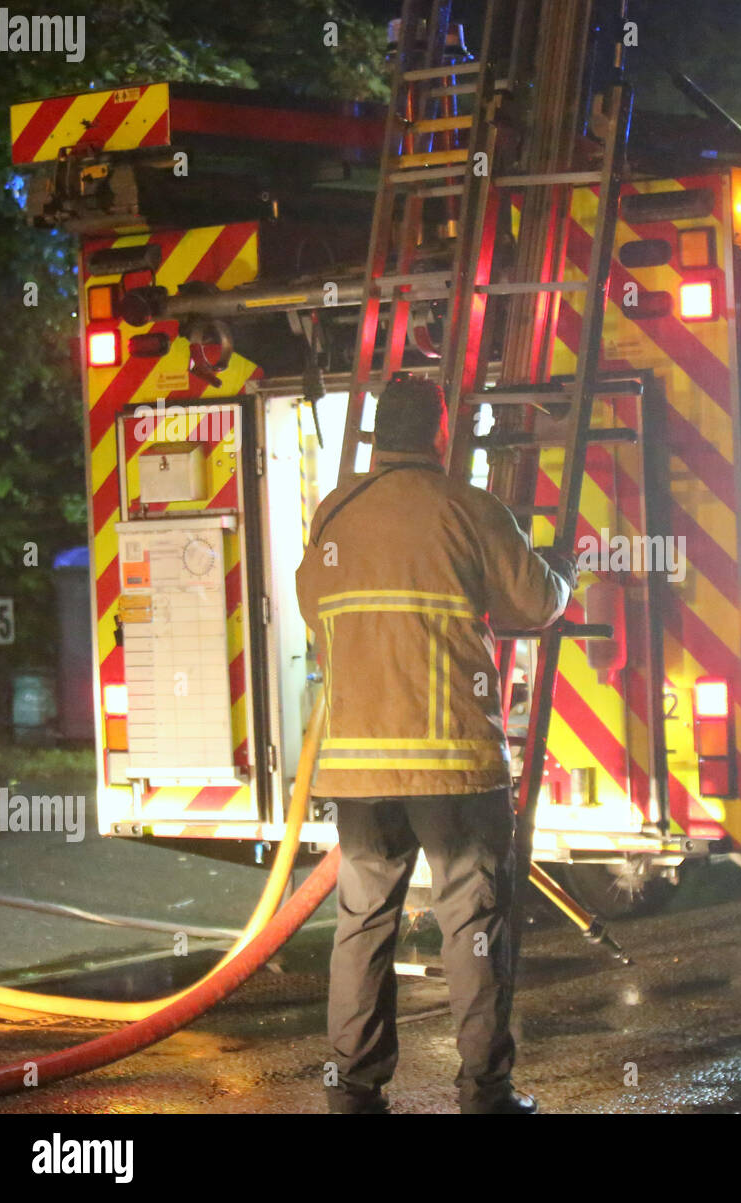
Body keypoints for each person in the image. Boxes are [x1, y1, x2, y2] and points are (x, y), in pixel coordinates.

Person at [296, 375, 577, 1115]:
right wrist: (564, 572)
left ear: (380, 434)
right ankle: (485, 1093)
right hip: (454, 767)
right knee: (472, 928)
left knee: (360, 927)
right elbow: (532, 601)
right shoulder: (468, 508)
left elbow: (310, 603)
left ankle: (353, 1093)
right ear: (440, 435)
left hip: (360, 773)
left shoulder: (336, 511)